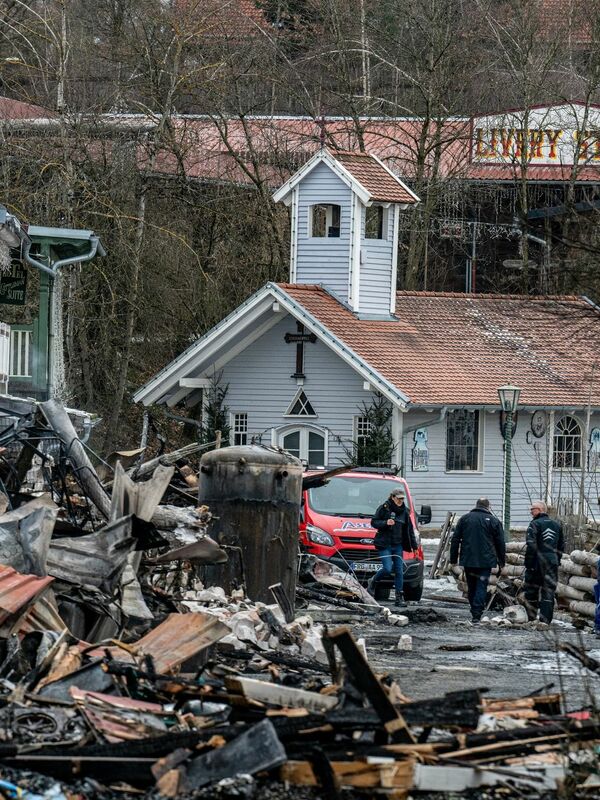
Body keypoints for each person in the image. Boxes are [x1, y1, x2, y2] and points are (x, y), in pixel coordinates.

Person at [450, 498, 506, 625]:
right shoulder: (494, 521)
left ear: (476, 505)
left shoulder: (465, 519)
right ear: (488, 507)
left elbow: (455, 539)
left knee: (472, 585)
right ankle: (477, 613)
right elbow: (500, 543)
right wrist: (501, 562)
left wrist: (453, 559)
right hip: (486, 561)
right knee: (481, 585)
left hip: (469, 559)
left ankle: (474, 610)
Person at [369, 487, 418, 607]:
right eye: (398, 498)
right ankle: (373, 581)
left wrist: (415, 547)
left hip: (398, 545)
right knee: (387, 568)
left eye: (402, 499)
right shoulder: (384, 508)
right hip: (385, 544)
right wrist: (385, 523)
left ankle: (399, 598)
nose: (400, 501)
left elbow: (410, 531)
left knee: (399, 571)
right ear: (392, 497)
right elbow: (374, 522)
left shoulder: (405, 512)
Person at [523, 500, 564, 625]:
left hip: (537, 562)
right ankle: (545, 621)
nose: (530, 512)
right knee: (549, 590)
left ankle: (531, 619)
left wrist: (529, 564)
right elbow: (561, 546)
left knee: (531, 590)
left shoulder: (534, 524)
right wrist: (556, 560)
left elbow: (531, 545)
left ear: (540, 510)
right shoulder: (556, 525)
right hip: (552, 562)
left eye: (532, 509)